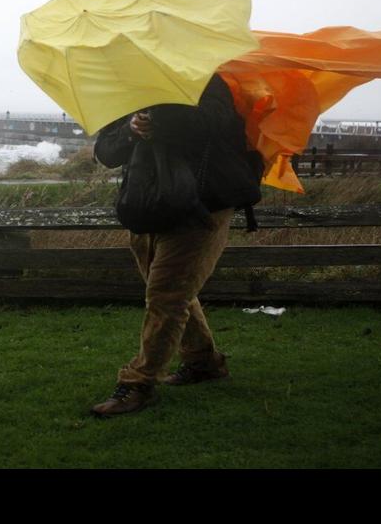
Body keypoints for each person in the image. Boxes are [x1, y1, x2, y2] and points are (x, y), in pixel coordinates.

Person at [88, 74, 262, 418]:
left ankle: (137, 382)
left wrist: (161, 120)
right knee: (169, 292)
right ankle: (203, 362)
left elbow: (214, 123)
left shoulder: (208, 82)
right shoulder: (129, 88)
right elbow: (106, 152)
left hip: (201, 205)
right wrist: (130, 129)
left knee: (167, 296)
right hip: (146, 206)